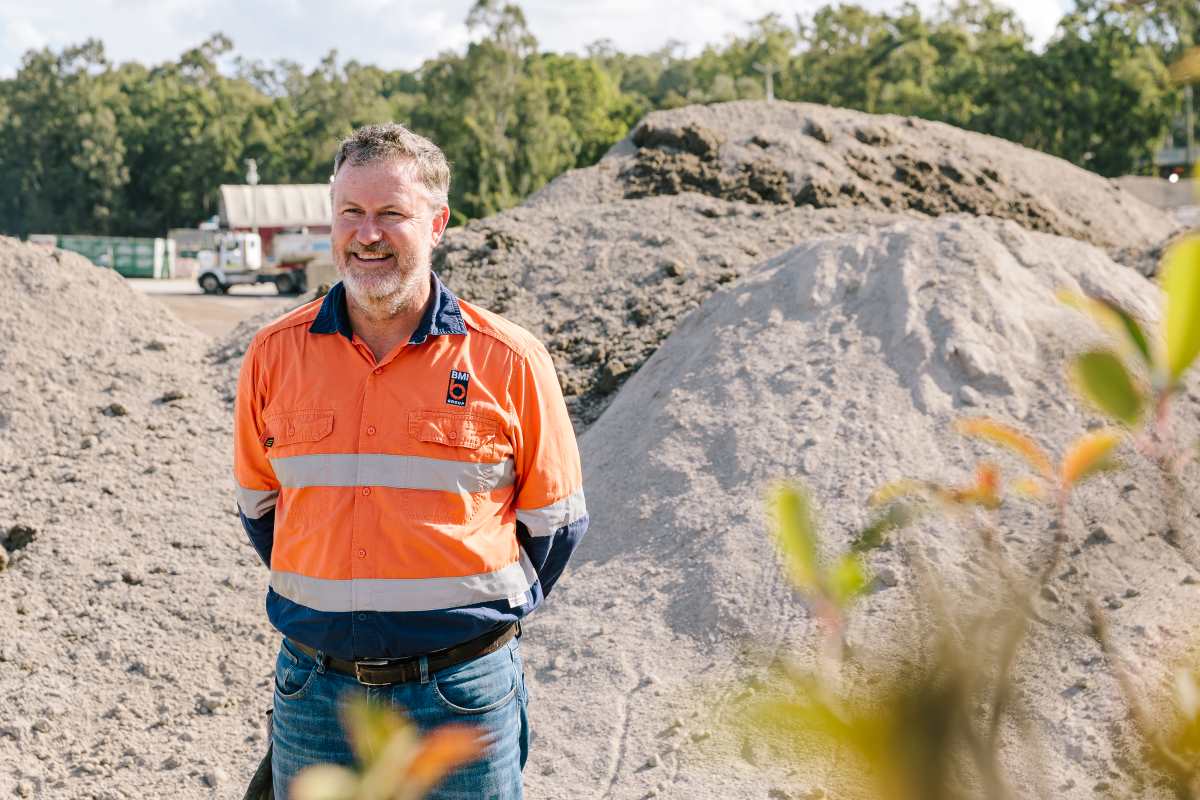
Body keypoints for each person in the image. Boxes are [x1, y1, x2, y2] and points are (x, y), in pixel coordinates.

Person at [233, 122, 588, 800]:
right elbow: (261, 509)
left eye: (391, 213)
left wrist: (457, 621)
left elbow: (555, 525)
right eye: (351, 212)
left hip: (462, 697)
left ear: (438, 223)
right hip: (317, 696)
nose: (367, 234)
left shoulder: (509, 361)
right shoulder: (274, 356)